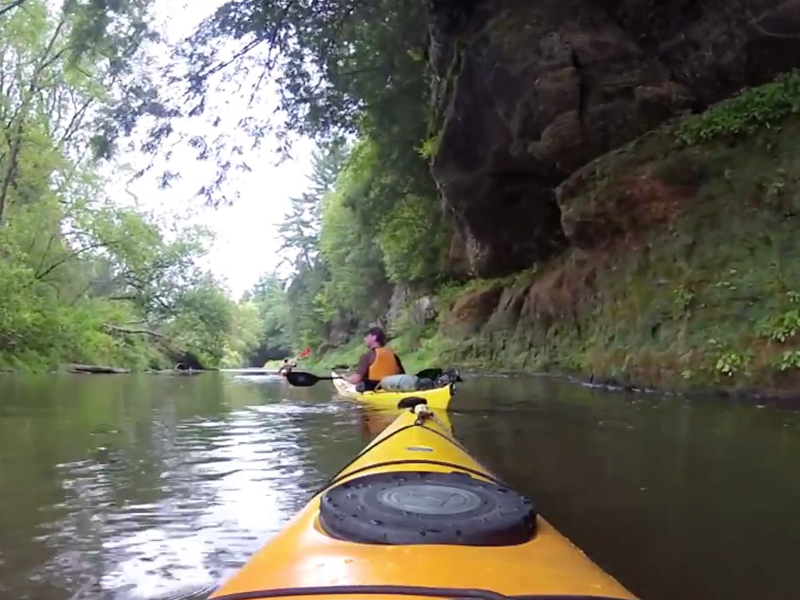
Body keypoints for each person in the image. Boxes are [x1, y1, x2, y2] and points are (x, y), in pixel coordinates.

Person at [346, 326, 405, 391]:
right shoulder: (393, 354)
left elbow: (356, 379)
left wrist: (346, 379)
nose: (364, 339)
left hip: (373, 390)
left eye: (367, 336)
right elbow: (402, 375)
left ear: (374, 337)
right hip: (390, 389)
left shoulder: (367, 356)